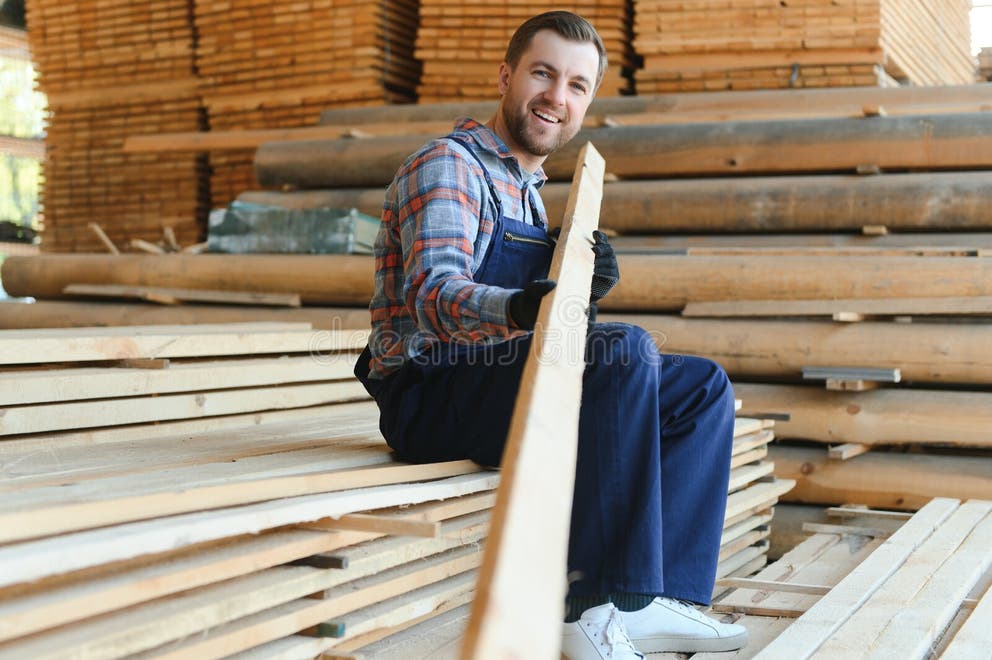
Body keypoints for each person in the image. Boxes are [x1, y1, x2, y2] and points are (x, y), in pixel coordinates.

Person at [354, 10, 747, 659]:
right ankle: (585, 604)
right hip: (430, 392)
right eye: (543, 73)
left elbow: (539, 326)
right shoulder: (449, 166)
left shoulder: (528, 192)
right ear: (507, 76)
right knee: (624, 353)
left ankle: (647, 602)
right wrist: (524, 309)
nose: (556, 97)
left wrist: (577, 293)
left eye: (576, 85)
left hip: (497, 378)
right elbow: (431, 296)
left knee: (701, 387)